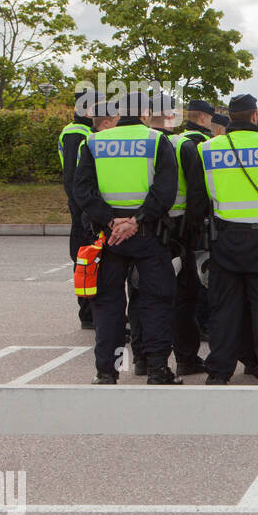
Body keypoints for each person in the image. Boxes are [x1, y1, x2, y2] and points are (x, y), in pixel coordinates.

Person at [186, 93, 258, 385]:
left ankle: (219, 371)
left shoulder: (208, 149)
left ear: (228, 117)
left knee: (225, 308)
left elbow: (197, 200)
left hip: (224, 239)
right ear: (254, 116)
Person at [72, 91, 180, 385]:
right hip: (146, 235)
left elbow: (82, 191)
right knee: (155, 301)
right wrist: (136, 220)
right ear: (145, 112)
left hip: (108, 237)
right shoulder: (157, 141)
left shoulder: (92, 142)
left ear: (118, 113)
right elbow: (166, 192)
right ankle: (157, 370)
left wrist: (110, 220)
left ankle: (107, 371)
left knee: (108, 304)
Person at [168, 99, 219, 376]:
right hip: (188, 228)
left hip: (160, 225)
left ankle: (148, 357)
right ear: (205, 118)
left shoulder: (172, 141)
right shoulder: (198, 144)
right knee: (190, 292)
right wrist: (196, 225)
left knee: (153, 294)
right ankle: (188, 356)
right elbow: (200, 190)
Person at [60, 89, 98, 330]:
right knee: (85, 260)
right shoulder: (77, 133)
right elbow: (74, 178)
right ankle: (87, 312)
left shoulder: (78, 131)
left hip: (81, 208)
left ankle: (90, 311)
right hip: (82, 210)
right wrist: (85, 211)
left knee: (87, 260)